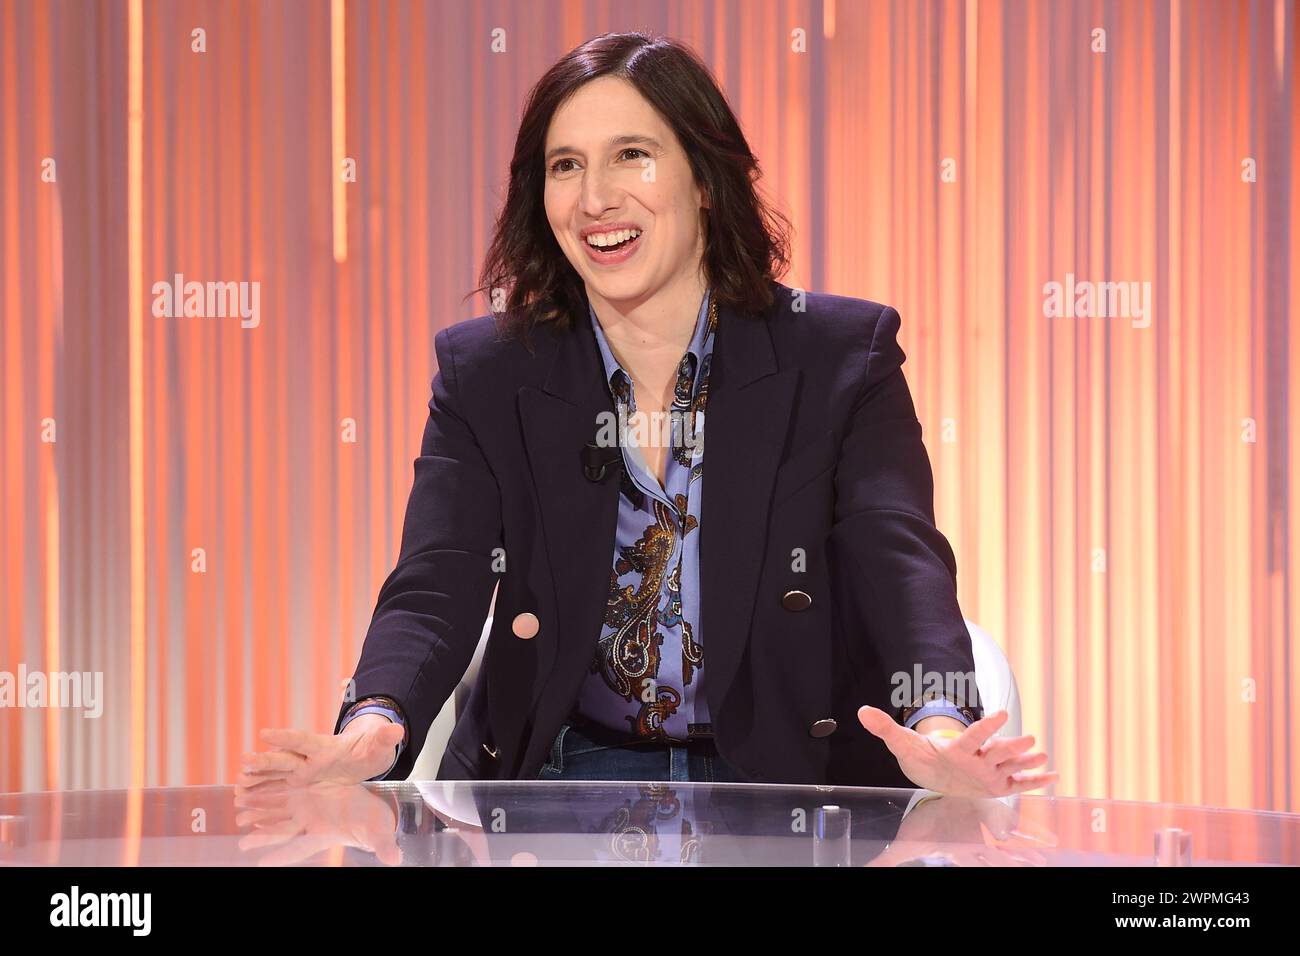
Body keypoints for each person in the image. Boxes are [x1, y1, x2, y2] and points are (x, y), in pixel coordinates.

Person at [240, 31, 1056, 798]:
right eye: (566, 166)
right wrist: (374, 722)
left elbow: (900, 561)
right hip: (560, 770)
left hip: (785, 774)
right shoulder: (488, 371)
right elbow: (437, 581)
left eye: (632, 156)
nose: (595, 198)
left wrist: (942, 721)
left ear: (704, 179)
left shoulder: (841, 355)